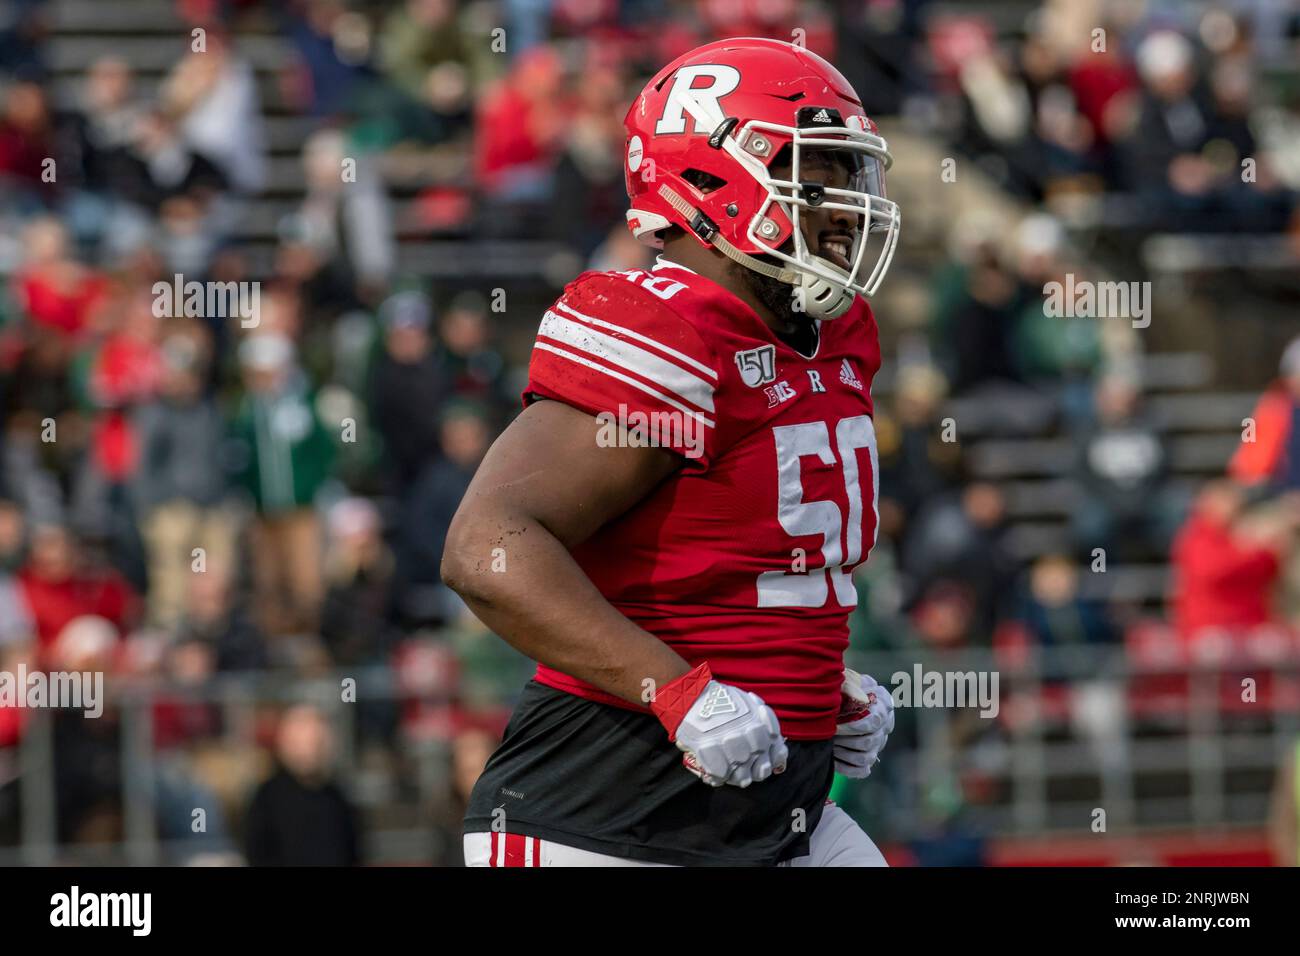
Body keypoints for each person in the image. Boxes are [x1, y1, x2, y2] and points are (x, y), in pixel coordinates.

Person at [443, 38, 899, 867]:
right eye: (819, 172)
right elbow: (487, 548)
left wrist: (815, 687)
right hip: (612, 805)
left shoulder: (834, 334)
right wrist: (682, 694)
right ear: (718, 181)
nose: (843, 204)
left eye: (848, 173)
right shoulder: (669, 327)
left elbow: (734, 562)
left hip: (772, 794)